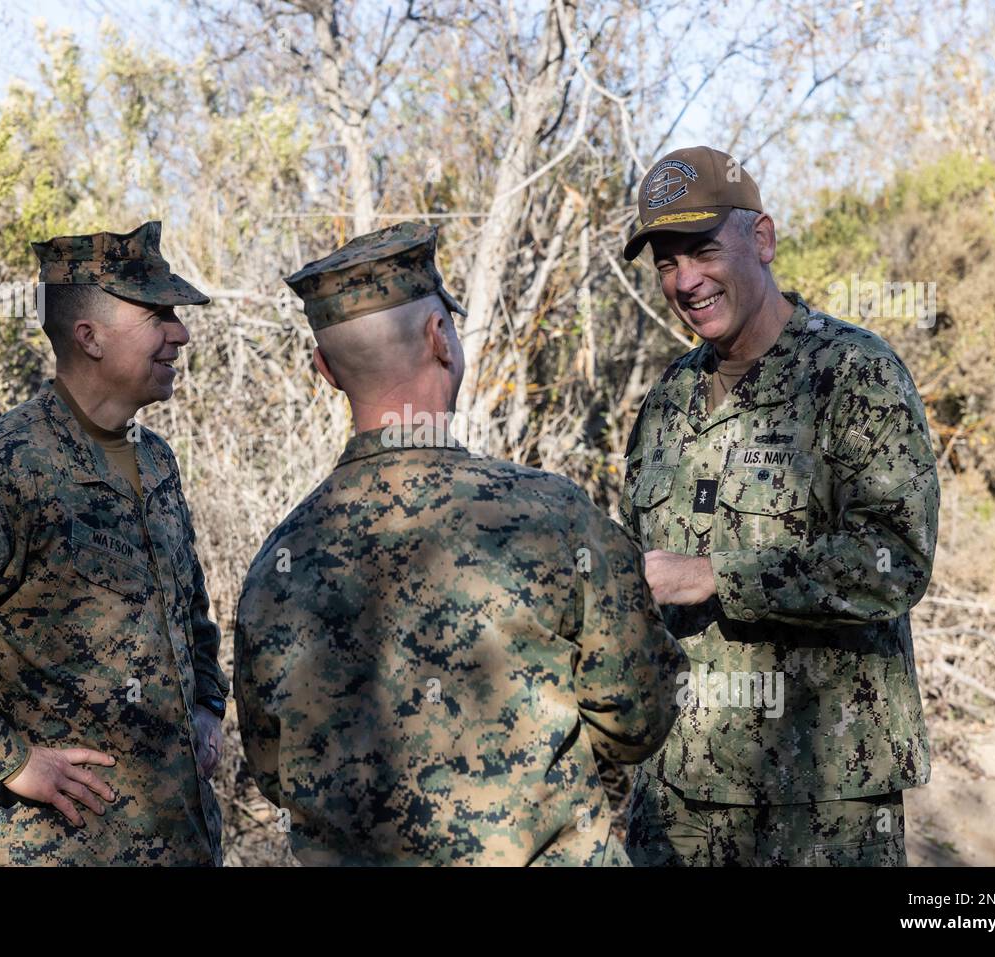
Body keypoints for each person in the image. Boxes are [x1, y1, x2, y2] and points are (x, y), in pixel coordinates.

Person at [234, 222, 686, 865]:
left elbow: (274, 769)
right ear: (440, 338)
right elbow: (637, 719)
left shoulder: (276, 563)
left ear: (326, 370)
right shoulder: (555, 517)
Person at [0, 221, 227, 865]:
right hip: (56, 849)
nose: (180, 333)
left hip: (179, 841)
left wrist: (208, 706)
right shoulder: (8, 468)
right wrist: (9, 758)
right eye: (159, 314)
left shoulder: (154, 459)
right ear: (90, 336)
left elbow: (187, 604)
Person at [618, 146, 941, 866]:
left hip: (818, 807)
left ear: (761, 239)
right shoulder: (666, 401)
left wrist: (715, 574)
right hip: (675, 799)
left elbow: (894, 562)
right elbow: (636, 570)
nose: (685, 280)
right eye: (667, 263)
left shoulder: (855, 374)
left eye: (702, 251)